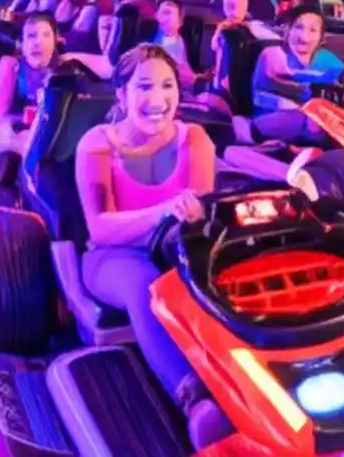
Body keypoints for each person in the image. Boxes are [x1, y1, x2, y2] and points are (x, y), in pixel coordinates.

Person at [75, 45, 231, 449]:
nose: (158, 100)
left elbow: (197, 215)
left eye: (167, 86)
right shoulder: (97, 144)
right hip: (112, 259)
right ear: (123, 93)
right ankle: (192, 399)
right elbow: (100, 228)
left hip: (176, 253)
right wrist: (164, 212)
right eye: (144, 86)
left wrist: (184, 217)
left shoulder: (194, 138)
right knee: (147, 285)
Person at [236, 4, 344, 144]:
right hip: (267, 122)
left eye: (313, 30)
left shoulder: (326, 58)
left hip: (316, 128)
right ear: (288, 30)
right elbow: (283, 78)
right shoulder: (272, 54)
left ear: (321, 38)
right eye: (298, 27)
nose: (303, 36)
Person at [0, 13, 61, 157]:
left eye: (45, 35)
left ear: (56, 40)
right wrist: (25, 119)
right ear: (23, 43)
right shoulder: (11, 66)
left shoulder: (64, 68)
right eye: (31, 36)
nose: (37, 42)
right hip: (14, 138)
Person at [152, 0, 196, 88]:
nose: (163, 18)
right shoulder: (148, 37)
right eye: (161, 13)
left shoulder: (180, 44)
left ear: (180, 21)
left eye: (167, 13)